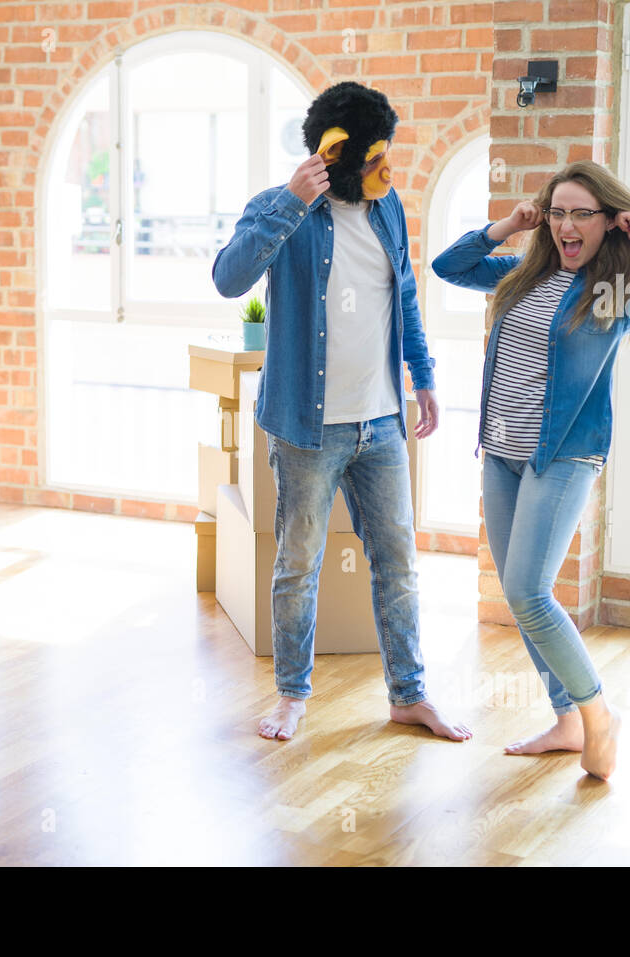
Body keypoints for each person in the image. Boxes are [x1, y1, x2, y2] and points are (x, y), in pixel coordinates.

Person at [212, 81, 471, 744]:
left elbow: (405, 295)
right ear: (334, 153)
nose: (387, 168)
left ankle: (408, 695)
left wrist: (424, 377)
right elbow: (228, 278)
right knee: (298, 563)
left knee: (399, 560)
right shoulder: (281, 208)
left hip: (381, 421)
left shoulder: (388, 211)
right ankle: (292, 696)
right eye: (374, 156)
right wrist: (289, 205)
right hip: (306, 426)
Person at [431, 160, 630, 779]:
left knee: (526, 590)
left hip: (565, 452)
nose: (568, 225)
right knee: (523, 597)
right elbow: (448, 267)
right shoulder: (524, 273)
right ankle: (568, 719)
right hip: (502, 450)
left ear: (609, 223)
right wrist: (506, 225)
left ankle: (599, 714)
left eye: (583, 214)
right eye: (558, 212)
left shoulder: (612, 290)